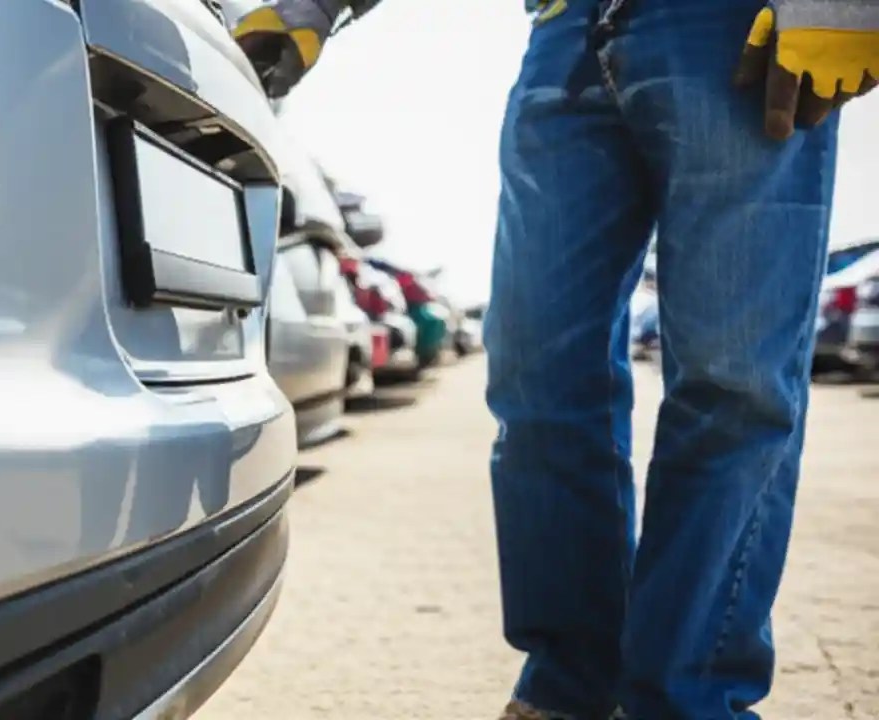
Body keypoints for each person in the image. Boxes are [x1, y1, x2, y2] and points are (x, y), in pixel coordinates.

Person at [231, 1, 878, 718]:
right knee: (538, 378)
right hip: (567, 30)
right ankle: (573, 686)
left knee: (734, 384)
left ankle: (687, 697)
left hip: (733, 25)